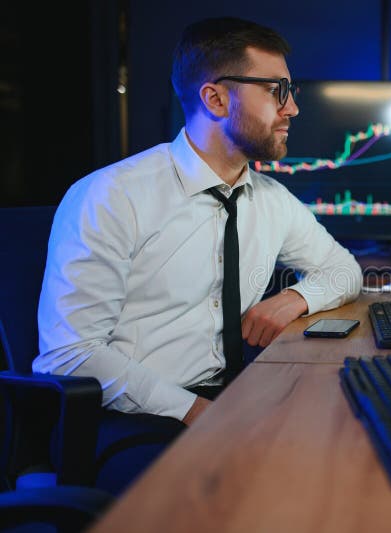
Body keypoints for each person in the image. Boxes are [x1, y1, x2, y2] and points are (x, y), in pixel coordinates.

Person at [33, 17, 362, 491]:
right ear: (215, 99)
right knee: (251, 493)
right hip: (129, 419)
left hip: (228, 399)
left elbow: (343, 269)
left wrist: (295, 299)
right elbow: (70, 355)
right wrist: (193, 410)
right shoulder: (112, 196)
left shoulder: (270, 198)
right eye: (276, 90)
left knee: (345, 457)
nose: (292, 108)